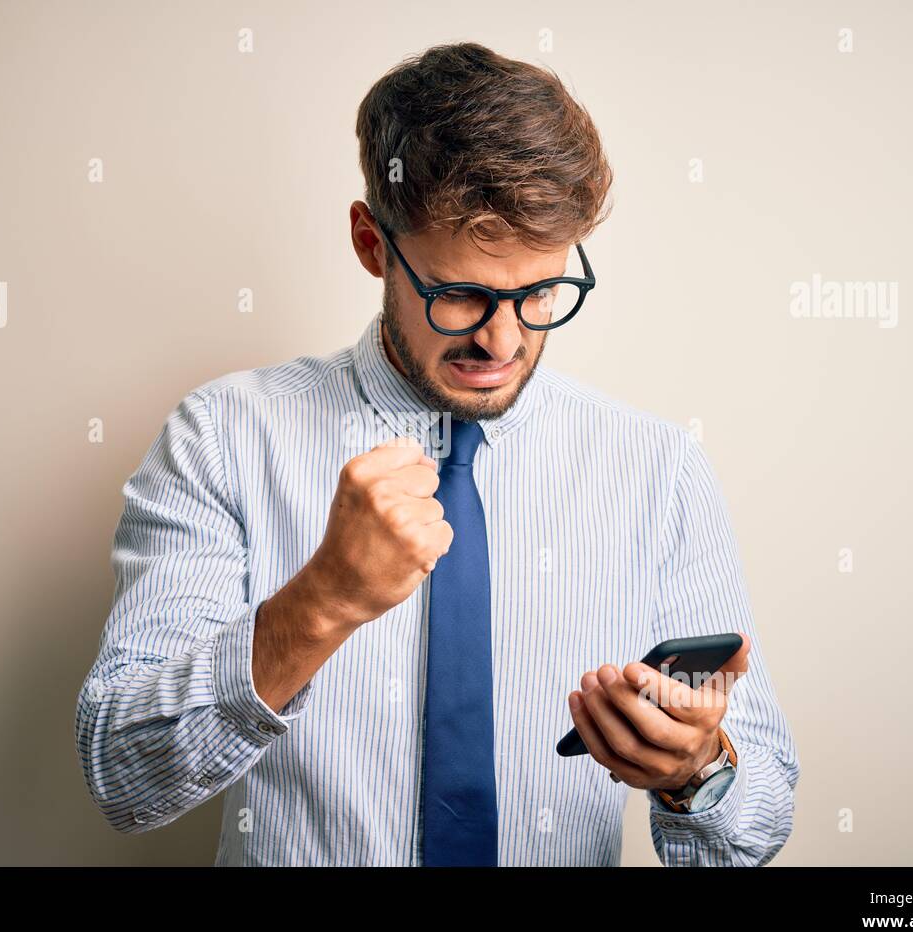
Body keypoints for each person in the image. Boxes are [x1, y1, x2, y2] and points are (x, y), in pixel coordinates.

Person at [75, 41, 799, 866]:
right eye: (461, 293)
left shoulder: (657, 470)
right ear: (371, 243)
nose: (502, 339)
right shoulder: (223, 438)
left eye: (538, 295)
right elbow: (120, 774)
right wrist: (321, 602)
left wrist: (696, 771)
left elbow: (757, 828)